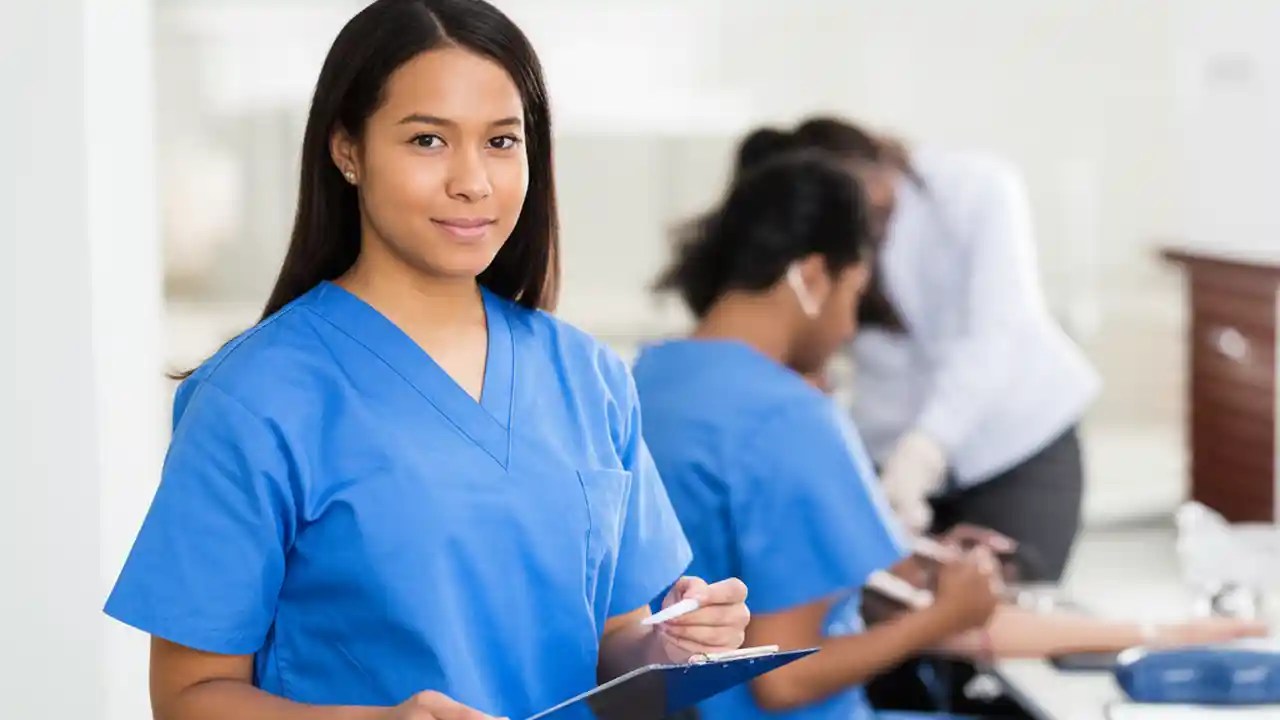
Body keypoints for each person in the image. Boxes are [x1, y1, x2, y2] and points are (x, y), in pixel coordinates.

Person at [103, 2, 749, 719]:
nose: (472, 180)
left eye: (502, 141)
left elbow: (612, 642)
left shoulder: (585, 375)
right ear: (347, 149)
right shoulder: (257, 395)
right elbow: (188, 696)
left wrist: (671, 646)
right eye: (428, 141)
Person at [636, 150, 1266, 720]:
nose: (849, 327)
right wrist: (945, 614)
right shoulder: (786, 414)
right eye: (855, 295)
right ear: (813, 277)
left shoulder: (649, 378)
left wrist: (1157, 634)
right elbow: (783, 684)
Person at [742, 118, 1100, 584]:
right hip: (889, 452)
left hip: (1017, 441)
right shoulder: (819, 234)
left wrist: (925, 451)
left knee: (1003, 605)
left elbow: (998, 331)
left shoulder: (977, 188)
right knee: (902, 617)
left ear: (877, 167)